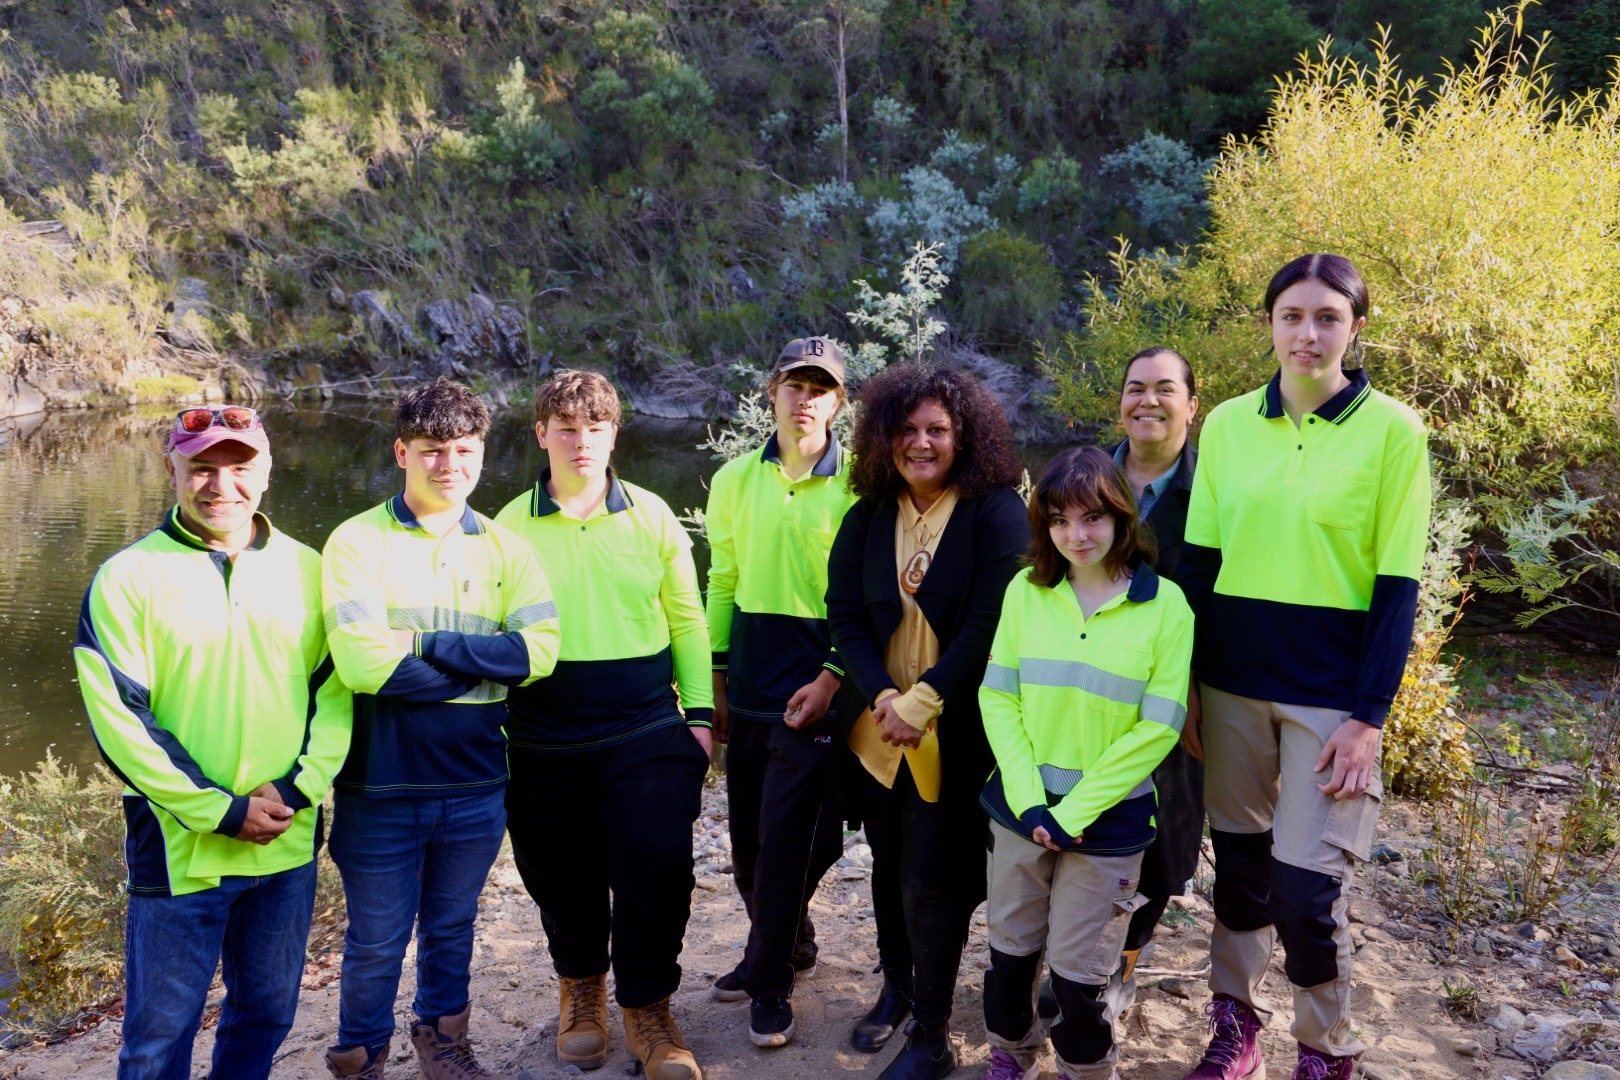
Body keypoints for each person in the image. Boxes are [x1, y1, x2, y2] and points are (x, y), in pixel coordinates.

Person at [1179, 254, 1430, 1080]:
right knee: (1243, 870)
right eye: (1292, 316)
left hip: (1332, 700)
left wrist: (1369, 717)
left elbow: (1397, 587)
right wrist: (1181, 688)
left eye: (1327, 317)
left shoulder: (1395, 431)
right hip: (1230, 685)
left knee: (1306, 891)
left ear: (1356, 327)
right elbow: (1199, 571)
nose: (1308, 333)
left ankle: (1327, 1048)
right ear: (1271, 325)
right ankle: (1236, 1027)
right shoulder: (1223, 425)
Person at [74, 406, 353, 1080]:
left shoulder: (311, 571)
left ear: (267, 472)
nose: (219, 485)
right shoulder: (126, 577)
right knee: (156, 1042)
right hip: (179, 855)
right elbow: (121, 720)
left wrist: (292, 792)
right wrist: (222, 811)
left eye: (238, 467)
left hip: (285, 845)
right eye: (200, 467)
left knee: (263, 1015)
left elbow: (336, 697)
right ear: (171, 469)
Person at [321, 378, 561, 1080]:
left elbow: (539, 655)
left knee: (453, 930)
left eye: (461, 450)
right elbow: (364, 665)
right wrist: (486, 670)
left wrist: (422, 645)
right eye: (431, 450)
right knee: (374, 941)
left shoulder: (507, 549)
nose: (446, 464)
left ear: (481, 455)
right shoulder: (357, 541)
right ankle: (360, 1058)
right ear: (402, 452)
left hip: (477, 785)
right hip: (381, 786)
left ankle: (444, 1046)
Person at [495, 370, 714, 1080]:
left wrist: (703, 717)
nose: (580, 441)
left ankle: (648, 1008)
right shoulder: (504, 526)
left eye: (594, 428)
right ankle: (581, 989)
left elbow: (687, 617)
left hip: (642, 724)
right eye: (566, 428)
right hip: (539, 729)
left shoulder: (651, 515)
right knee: (559, 873)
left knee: (658, 865)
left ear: (614, 434)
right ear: (541, 435)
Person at [825, 362, 1030, 1079]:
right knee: (888, 863)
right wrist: (883, 694)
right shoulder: (868, 514)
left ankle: (933, 1035)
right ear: (884, 438)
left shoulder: (997, 510)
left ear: (963, 434)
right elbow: (845, 616)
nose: (921, 443)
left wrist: (926, 698)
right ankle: (897, 989)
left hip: (960, 728)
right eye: (907, 430)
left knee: (934, 875)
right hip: (880, 728)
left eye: (937, 429)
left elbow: (990, 622)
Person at [979, 446, 1194, 1080]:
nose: (1077, 535)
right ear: (1044, 526)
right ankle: (1011, 1054)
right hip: (1021, 812)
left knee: (1080, 983)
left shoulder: (1166, 608)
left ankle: (1087, 1072)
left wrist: (1072, 812)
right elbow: (998, 695)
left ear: (1121, 518)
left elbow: (1158, 727)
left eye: (1092, 518)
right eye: (1060, 520)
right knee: (1009, 961)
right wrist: (1030, 802)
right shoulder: (1027, 590)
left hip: (1109, 826)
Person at [703, 337, 858, 1049]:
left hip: (821, 682)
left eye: (820, 388)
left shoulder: (860, 484)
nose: (805, 399)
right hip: (753, 678)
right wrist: (715, 677)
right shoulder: (734, 478)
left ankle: (770, 983)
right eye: (794, 385)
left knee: (791, 841)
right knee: (745, 847)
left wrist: (832, 675)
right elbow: (723, 579)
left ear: (839, 403)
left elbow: (862, 599)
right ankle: (788, 944)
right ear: (772, 393)